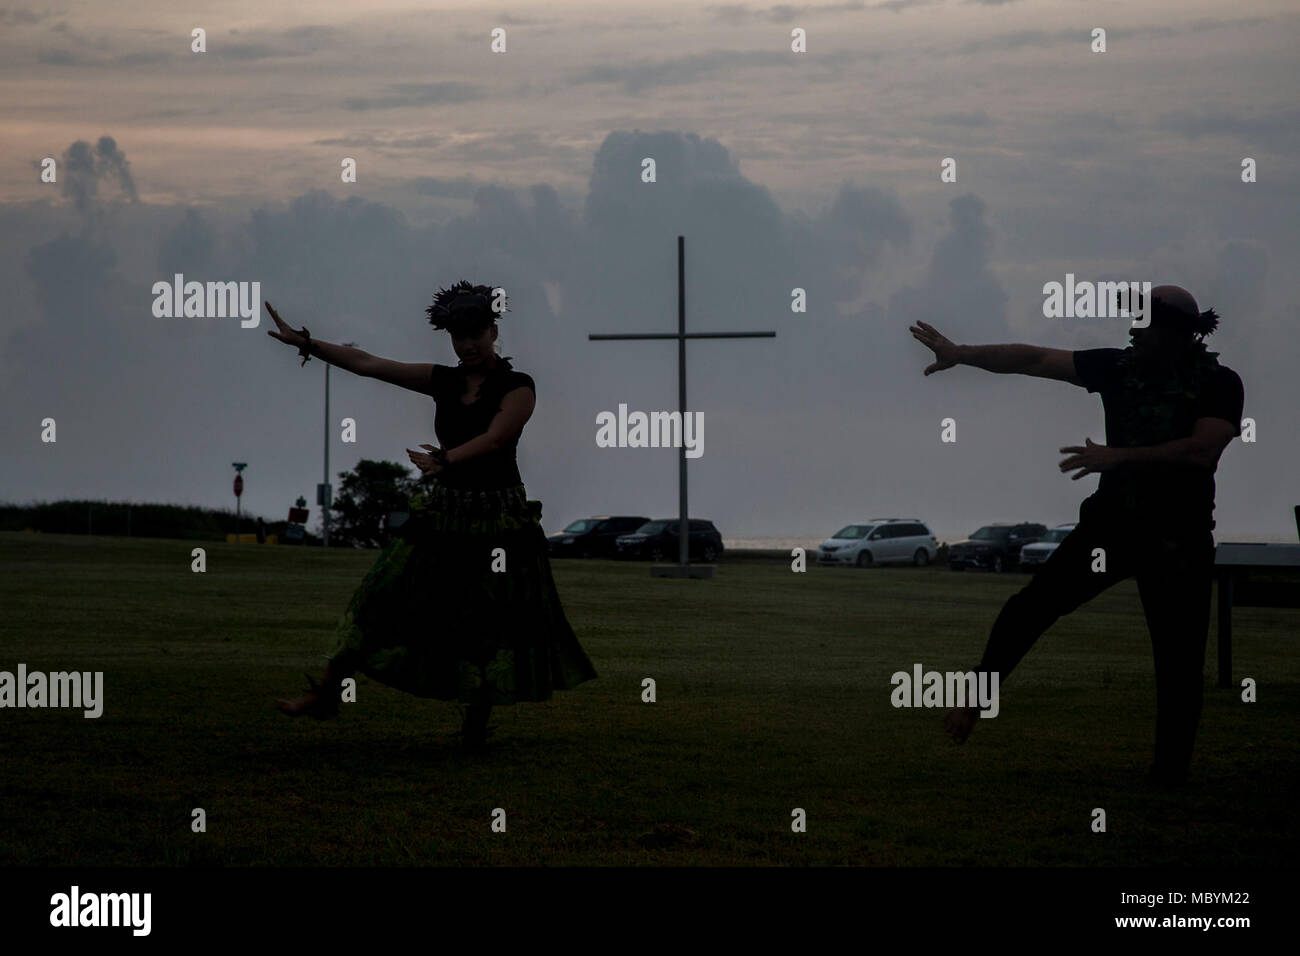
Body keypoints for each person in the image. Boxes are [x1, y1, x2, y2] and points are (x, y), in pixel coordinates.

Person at [910, 285, 1244, 786]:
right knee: (1030, 606)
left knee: (1179, 659)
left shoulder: (1220, 383)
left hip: (1179, 537)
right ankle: (975, 703)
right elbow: (1036, 358)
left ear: (1179, 335)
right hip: (1111, 528)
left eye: (1146, 326)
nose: (1134, 332)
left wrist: (1118, 457)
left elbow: (1202, 452)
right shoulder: (1118, 367)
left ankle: (1168, 776)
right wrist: (962, 355)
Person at [267, 281, 597, 749]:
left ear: (493, 330)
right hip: (443, 513)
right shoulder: (444, 380)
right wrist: (307, 343)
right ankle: (326, 695)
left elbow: (499, 437)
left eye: (476, 333)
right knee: (379, 598)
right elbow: (369, 364)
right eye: (458, 337)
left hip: (498, 518)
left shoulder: (519, 386)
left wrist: (447, 460)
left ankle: (475, 731)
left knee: (488, 625)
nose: (467, 344)